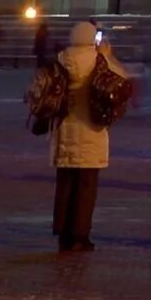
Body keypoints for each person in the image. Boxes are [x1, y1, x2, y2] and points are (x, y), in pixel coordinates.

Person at [48, 19, 119, 251]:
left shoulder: (60, 59)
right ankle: (80, 234)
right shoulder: (98, 61)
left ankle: (63, 232)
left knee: (65, 184)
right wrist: (108, 56)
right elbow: (119, 85)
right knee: (86, 188)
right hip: (90, 130)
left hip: (65, 129)